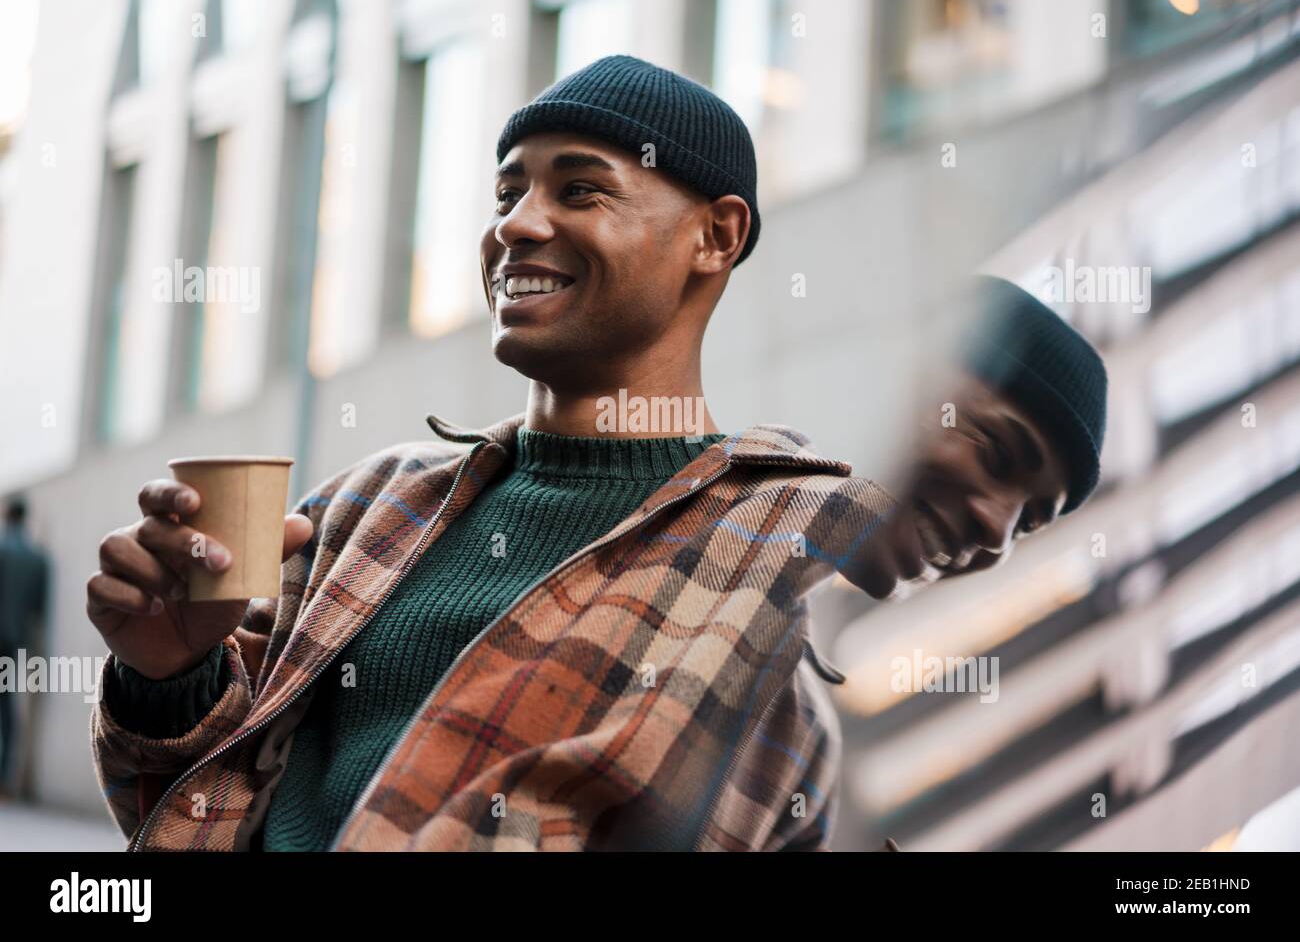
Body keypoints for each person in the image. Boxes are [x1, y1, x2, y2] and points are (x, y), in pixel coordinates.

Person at [85, 56, 1106, 851]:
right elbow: (180, 806)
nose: (517, 227)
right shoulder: (364, 504)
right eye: (505, 195)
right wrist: (162, 674)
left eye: (580, 191)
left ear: (715, 235)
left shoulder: (768, 546)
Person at [1, 495, 51, 800]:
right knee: (7, 707)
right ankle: (5, 778)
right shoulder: (39, 557)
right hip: (16, 640)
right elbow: (41, 609)